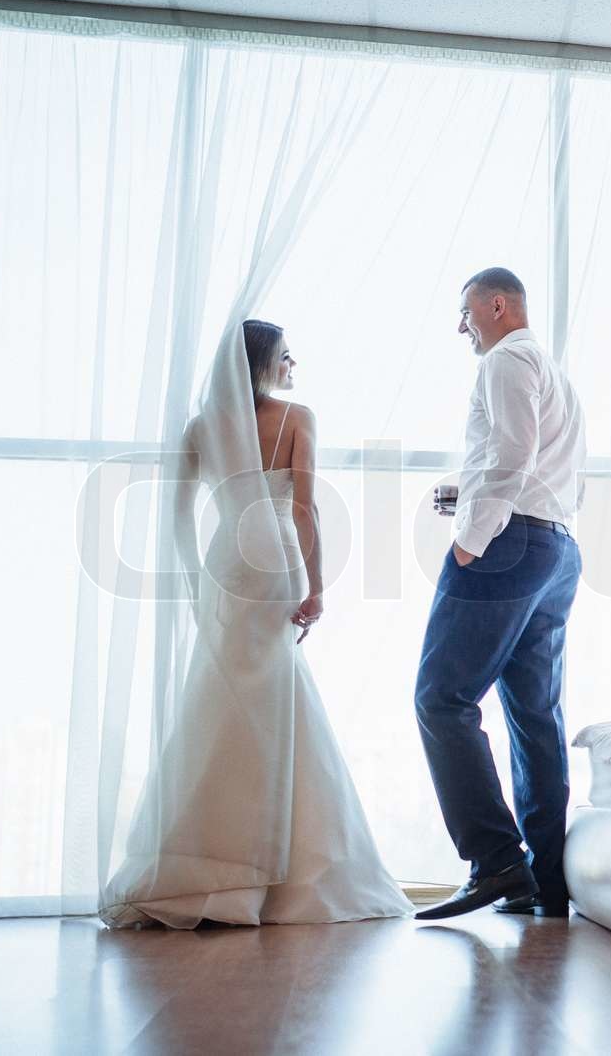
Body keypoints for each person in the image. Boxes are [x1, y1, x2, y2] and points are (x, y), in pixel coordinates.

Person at [99, 320, 412, 928]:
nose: (295, 368)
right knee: (275, 692)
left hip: (225, 563)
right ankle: (286, 868)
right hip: (273, 561)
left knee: (218, 697)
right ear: (264, 364)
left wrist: (196, 582)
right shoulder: (298, 418)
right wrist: (317, 586)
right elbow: (304, 506)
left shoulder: (200, 428)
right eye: (287, 358)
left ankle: (206, 856)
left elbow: (176, 517)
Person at [413, 268, 586, 920]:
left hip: (507, 549)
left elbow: (513, 453)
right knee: (535, 719)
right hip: (555, 549)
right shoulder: (553, 372)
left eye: (465, 313)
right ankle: (547, 884)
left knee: (441, 698)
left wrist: (471, 540)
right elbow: (545, 470)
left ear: (497, 304)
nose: (462, 327)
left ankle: (497, 863)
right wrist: (464, 495)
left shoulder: (506, 361)